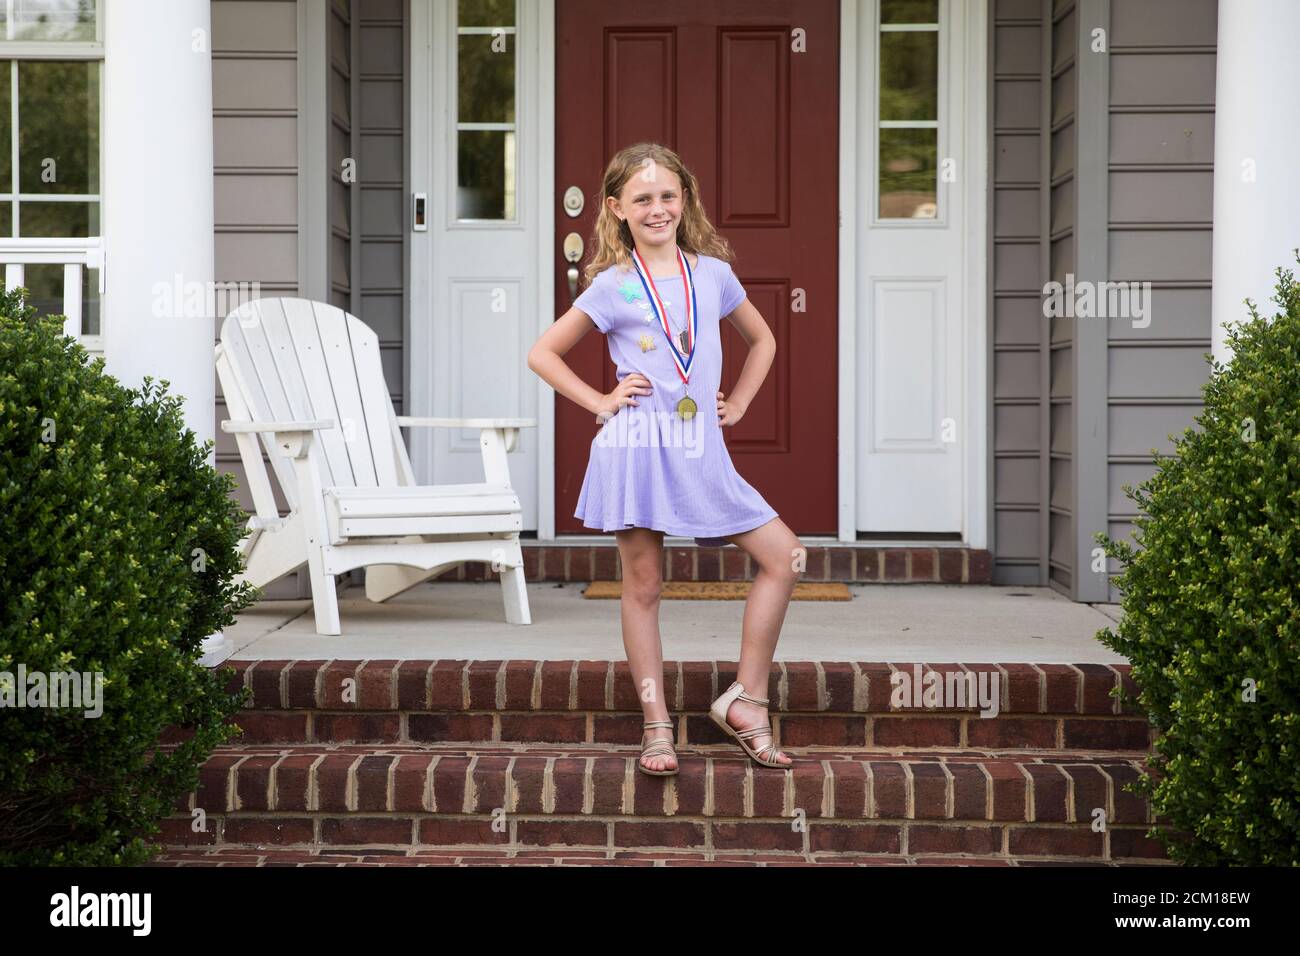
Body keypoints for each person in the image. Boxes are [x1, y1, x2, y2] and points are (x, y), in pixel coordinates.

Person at [527, 142, 803, 775]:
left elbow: (762, 340)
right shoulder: (611, 285)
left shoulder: (713, 273)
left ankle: (747, 702)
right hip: (636, 447)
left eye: (668, 196)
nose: (657, 208)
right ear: (617, 208)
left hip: (699, 446)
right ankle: (657, 726)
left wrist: (738, 405)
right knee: (644, 585)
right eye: (643, 198)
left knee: (783, 555)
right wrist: (600, 398)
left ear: (686, 201)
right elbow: (543, 353)